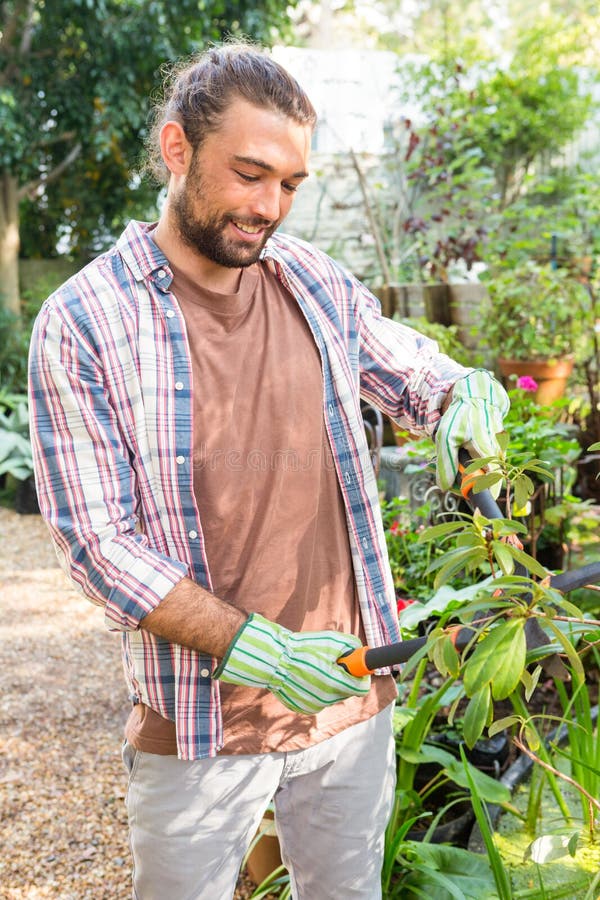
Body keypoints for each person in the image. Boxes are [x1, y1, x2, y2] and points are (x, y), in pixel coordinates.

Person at [28, 40, 509, 900]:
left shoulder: (311, 281)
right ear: (177, 149)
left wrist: (464, 393)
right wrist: (250, 644)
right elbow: (97, 542)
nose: (271, 207)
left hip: (351, 699)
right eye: (250, 174)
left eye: (290, 185)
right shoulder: (85, 321)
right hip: (204, 724)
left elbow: (411, 372)